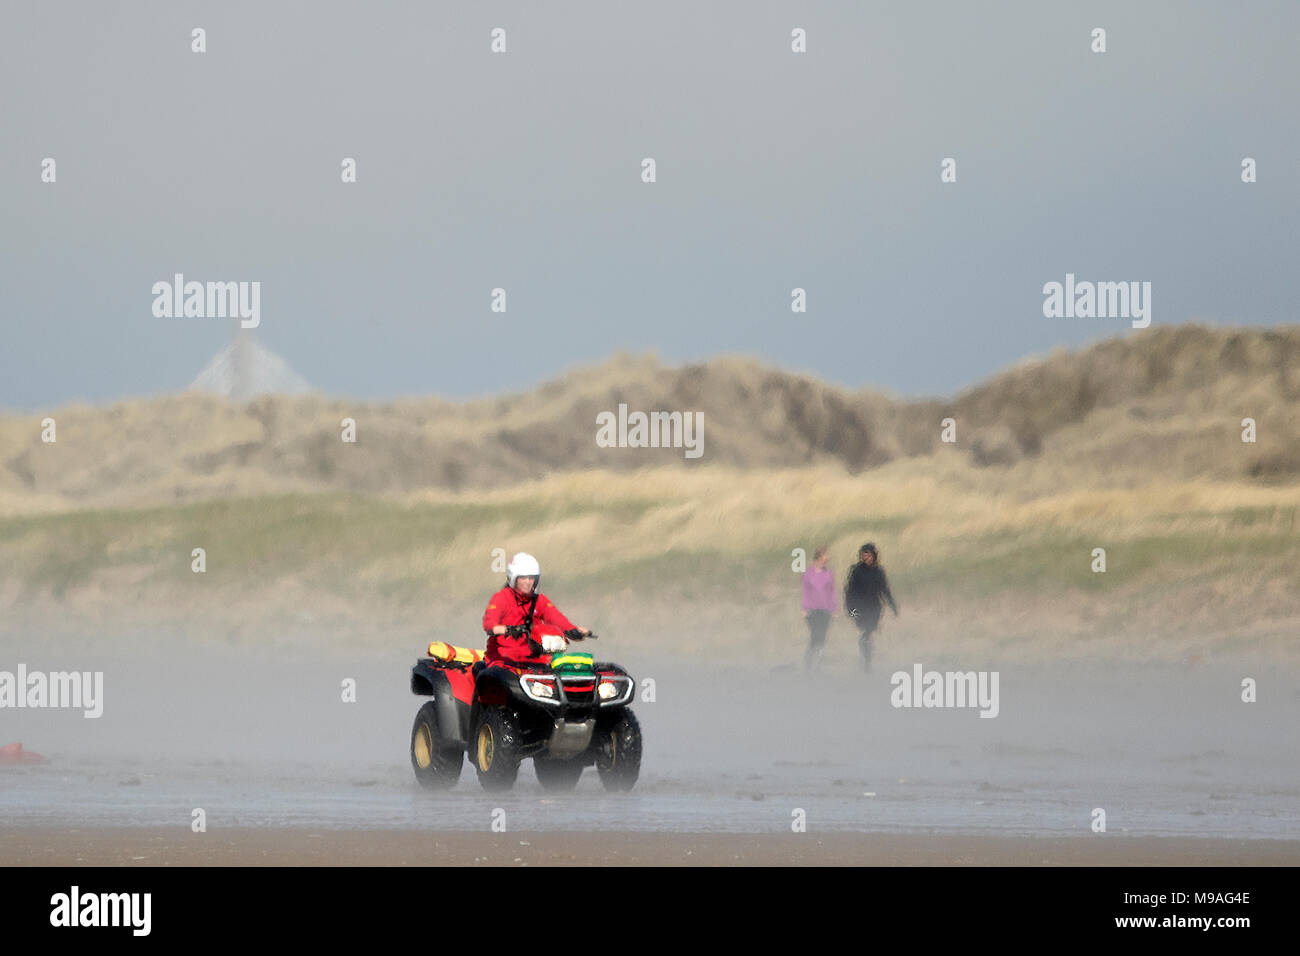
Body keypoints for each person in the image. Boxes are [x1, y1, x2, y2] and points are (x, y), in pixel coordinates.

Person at [482, 552, 589, 666]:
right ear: (513, 578)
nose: (528, 582)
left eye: (531, 578)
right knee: (498, 674)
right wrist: (502, 629)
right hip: (504, 659)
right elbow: (489, 623)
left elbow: (555, 617)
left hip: (535, 657)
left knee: (563, 667)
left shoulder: (539, 600)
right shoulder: (501, 598)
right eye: (523, 578)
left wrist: (573, 630)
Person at [843, 543, 898, 672]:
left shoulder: (879, 571)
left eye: (868, 555)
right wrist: (850, 609)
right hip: (858, 608)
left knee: (869, 630)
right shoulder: (856, 570)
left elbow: (885, 589)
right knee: (865, 629)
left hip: (875, 607)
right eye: (863, 555)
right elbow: (849, 591)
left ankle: (866, 656)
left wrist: (892, 605)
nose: (865, 558)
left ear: (874, 556)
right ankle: (866, 658)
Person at [800, 545, 838, 670]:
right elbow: (805, 592)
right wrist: (804, 608)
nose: (827, 559)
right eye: (825, 556)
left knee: (822, 636)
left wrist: (834, 609)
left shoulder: (829, 574)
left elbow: (832, 592)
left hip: (826, 610)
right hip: (812, 610)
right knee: (815, 635)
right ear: (819, 558)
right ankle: (808, 659)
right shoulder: (808, 574)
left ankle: (818, 664)